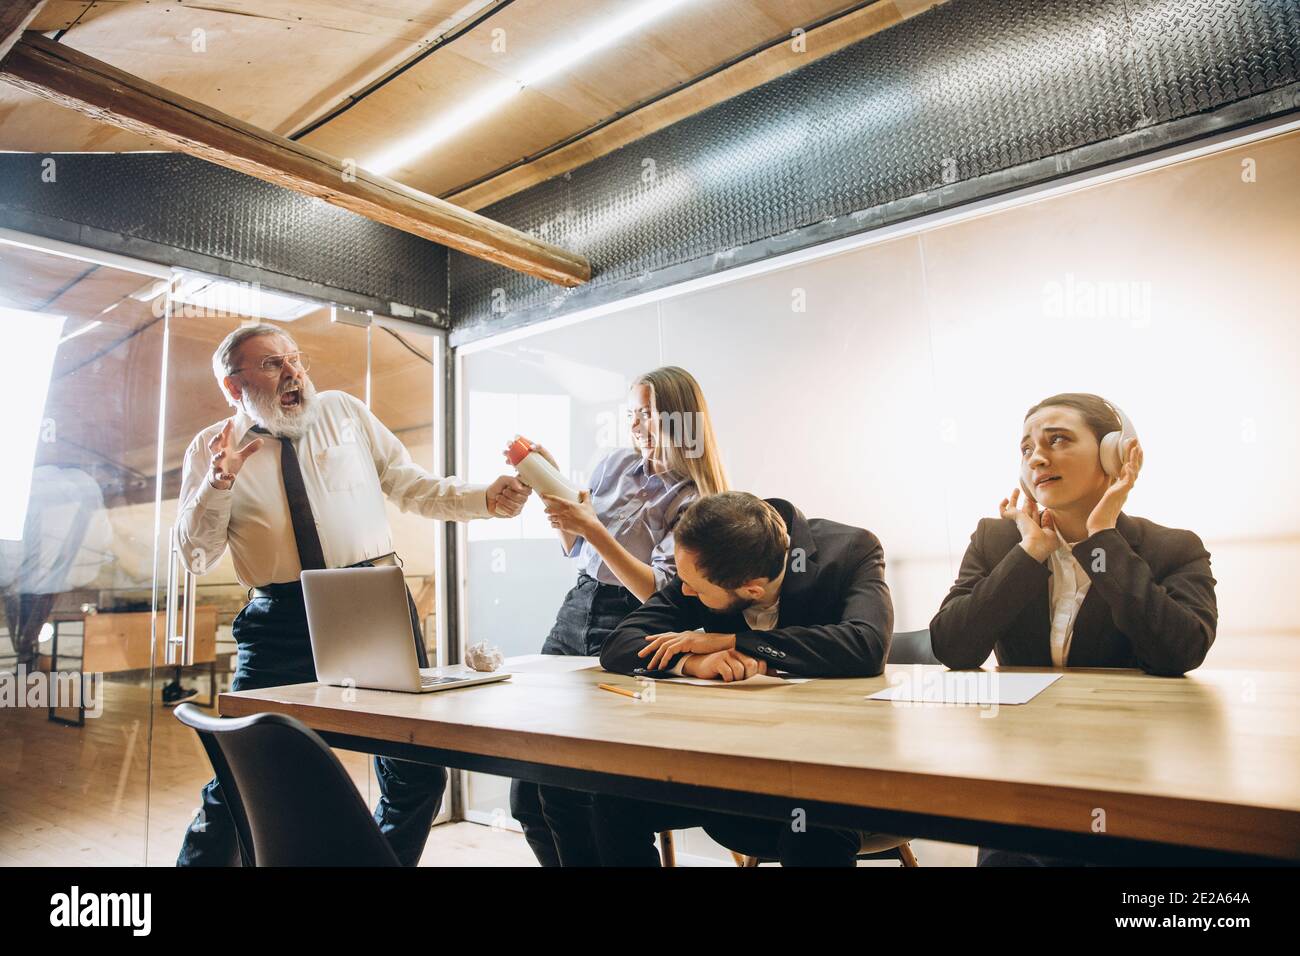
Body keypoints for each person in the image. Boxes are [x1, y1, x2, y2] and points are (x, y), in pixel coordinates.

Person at [174, 323, 529, 866]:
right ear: (232, 386)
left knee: (415, 775)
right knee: (240, 780)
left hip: (373, 606)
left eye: (296, 360)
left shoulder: (345, 413)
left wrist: (484, 496)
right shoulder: (211, 448)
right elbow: (196, 554)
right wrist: (218, 482)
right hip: (279, 620)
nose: (294, 373)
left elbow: (412, 485)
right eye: (272, 364)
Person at [929, 392, 1217, 865]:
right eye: (1026, 449)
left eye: (1057, 440)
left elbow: (1178, 651)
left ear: (1114, 453)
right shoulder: (997, 538)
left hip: (1125, 773)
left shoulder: (1173, 548)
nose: (1037, 457)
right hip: (1021, 771)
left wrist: (1102, 535)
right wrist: (1030, 554)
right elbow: (953, 647)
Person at [592, 491, 894, 867]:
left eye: (695, 589)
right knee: (606, 798)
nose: (684, 591)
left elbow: (866, 645)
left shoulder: (851, 550)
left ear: (752, 589)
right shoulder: (708, 555)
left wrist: (740, 641)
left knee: (817, 827)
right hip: (728, 771)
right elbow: (620, 643)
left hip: (832, 771)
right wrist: (690, 663)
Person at [508, 366, 728, 867]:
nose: (635, 425)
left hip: (631, 622)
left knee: (580, 789)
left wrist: (593, 527)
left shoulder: (695, 497)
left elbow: (663, 592)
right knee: (529, 794)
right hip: (576, 609)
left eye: (646, 414)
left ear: (679, 419)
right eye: (631, 414)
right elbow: (575, 547)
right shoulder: (613, 464)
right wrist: (554, 490)